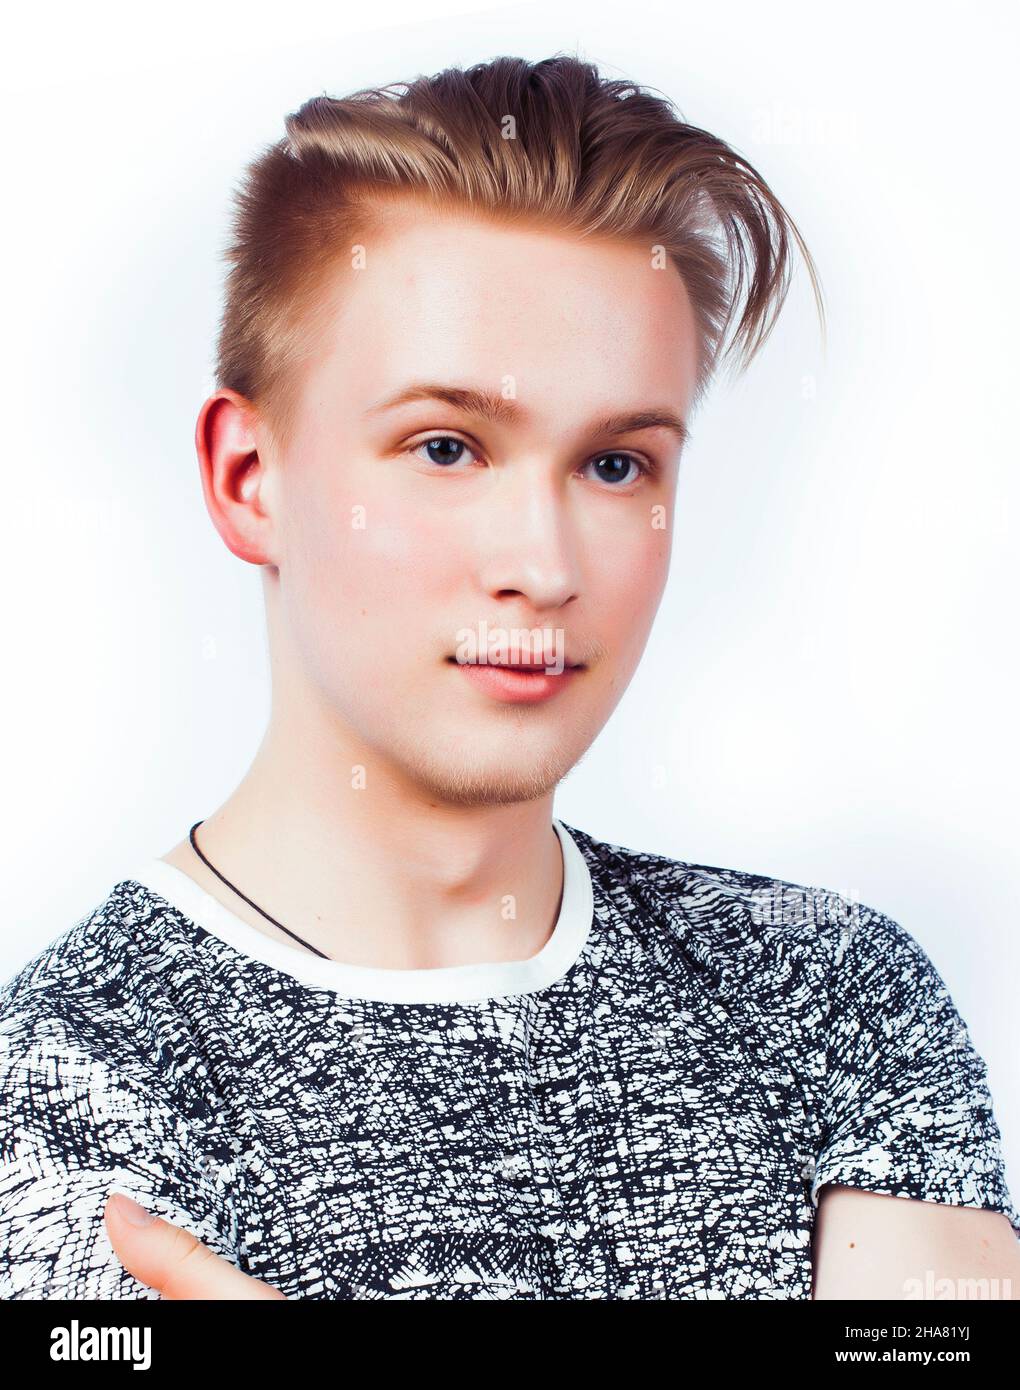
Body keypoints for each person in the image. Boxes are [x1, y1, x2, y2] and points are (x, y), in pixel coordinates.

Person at [2, 53, 1018, 1303]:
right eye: (446, 447)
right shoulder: (62, 1094)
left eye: (615, 464)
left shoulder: (828, 993)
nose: (544, 566)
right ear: (248, 477)